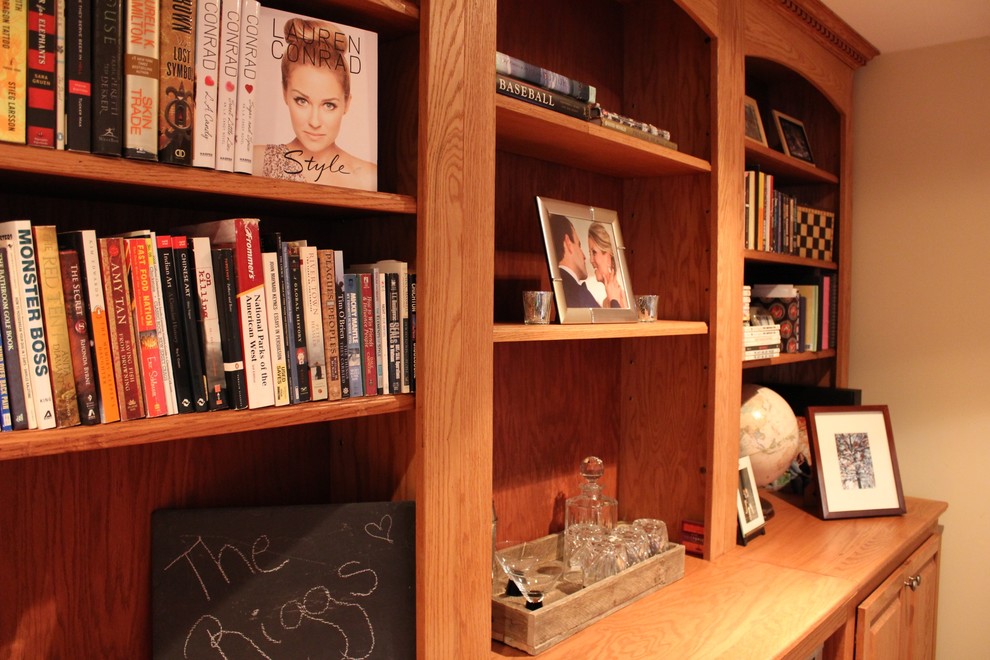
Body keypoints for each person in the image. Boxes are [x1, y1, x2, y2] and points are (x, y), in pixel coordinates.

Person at [254, 18, 378, 191]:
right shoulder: (255, 161)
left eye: (329, 105)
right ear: (285, 93)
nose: (314, 121)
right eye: (302, 101)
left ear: (347, 103)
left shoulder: (370, 178)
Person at [549, 214, 600, 308]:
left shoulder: (560, 286)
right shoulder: (574, 291)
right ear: (568, 243)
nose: (585, 256)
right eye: (579, 245)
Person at [587, 222, 628, 308]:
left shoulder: (625, 299)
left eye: (594, 252)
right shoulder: (606, 302)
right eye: (589, 253)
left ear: (609, 257)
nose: (591, 260)